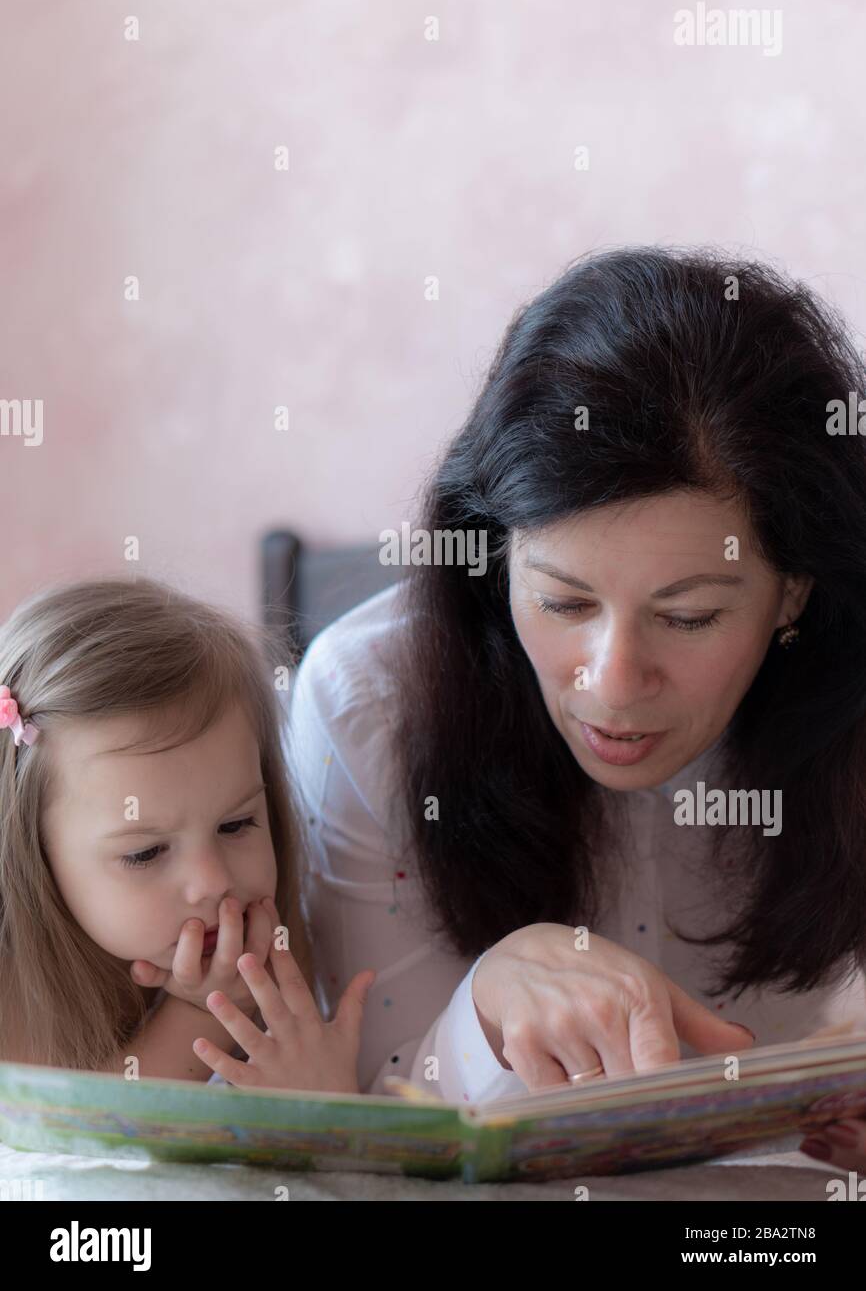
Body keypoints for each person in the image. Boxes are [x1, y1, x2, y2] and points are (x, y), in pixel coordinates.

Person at [288, 245, 866, 1172]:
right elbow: (364, 1128)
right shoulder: (367, 704)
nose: (610, 680)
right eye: (562, 603)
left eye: (689, 617)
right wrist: (486, 1006)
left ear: (794, 590)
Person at [0, 576, 373, 1090]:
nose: (213, 881)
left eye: (236, 824)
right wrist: (207, 1013)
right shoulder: (16, 989)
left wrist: (328, 1098)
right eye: (146, 852)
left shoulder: (270, 937)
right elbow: (79, 1150)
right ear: (32, 854)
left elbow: (328, 1142)